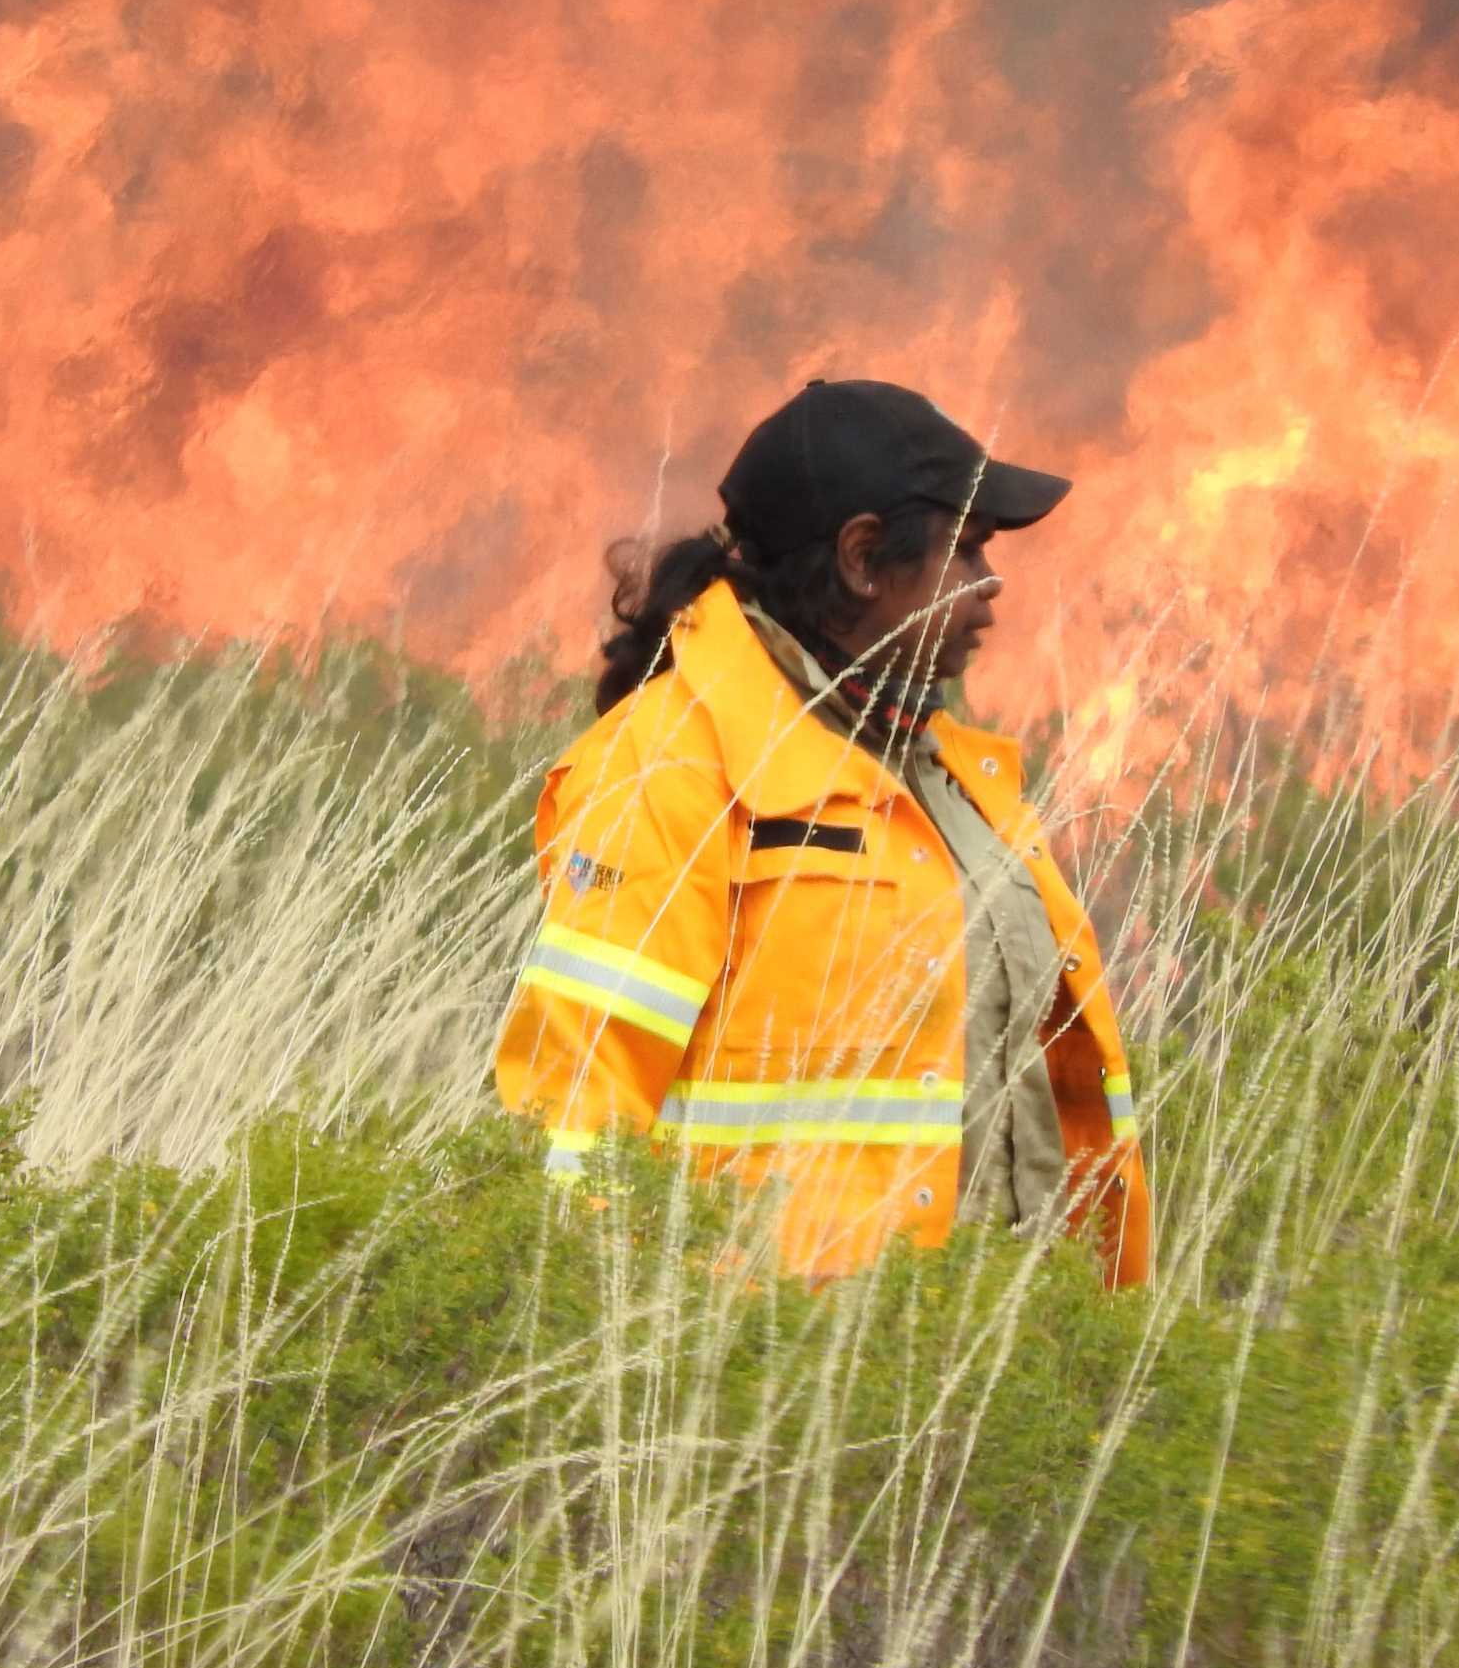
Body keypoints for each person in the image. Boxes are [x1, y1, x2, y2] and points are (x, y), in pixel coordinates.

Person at [492, 379, 1150, 1287]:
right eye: (964, 553)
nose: (990, 592)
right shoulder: (673, 768)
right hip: (775, 1377)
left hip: (1001, 1363)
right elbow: (577, 1109)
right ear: (863, 557)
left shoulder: (951, 774)